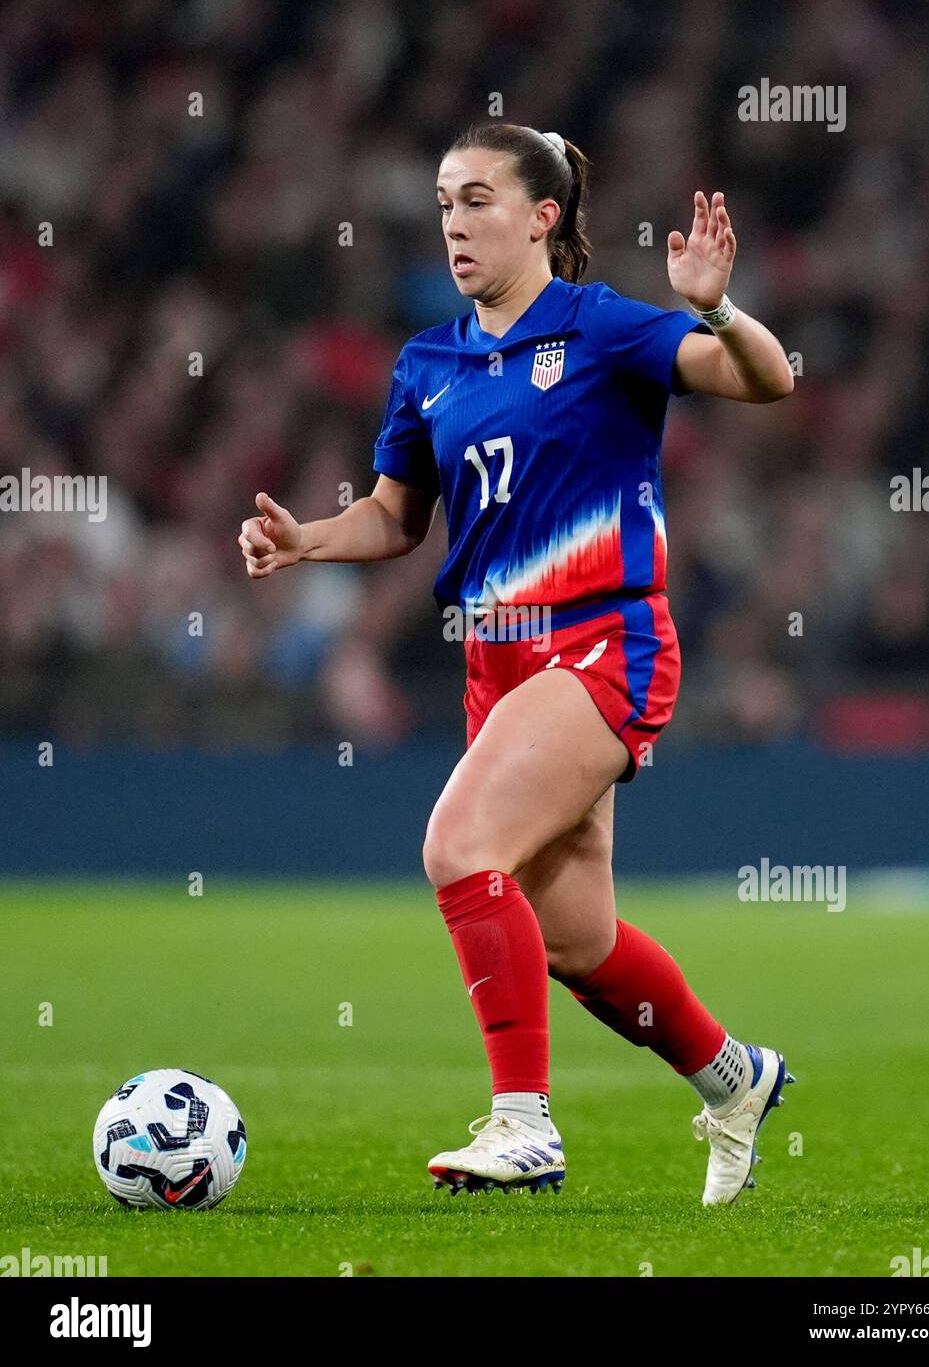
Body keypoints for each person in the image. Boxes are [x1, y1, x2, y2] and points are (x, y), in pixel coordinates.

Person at [238, 122, 795, 1205]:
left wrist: (715, 306)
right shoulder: (429, 363)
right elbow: (398, 517)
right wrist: (309, 538)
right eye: (445, 200)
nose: (454, 220)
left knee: (458, 845)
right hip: (495, 661)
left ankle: (523, 1122)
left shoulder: (603, 329)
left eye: (479, 198)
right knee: (575, 940)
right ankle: (734, 1076)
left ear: (543, 217)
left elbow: (761, 382)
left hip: (601, 639)